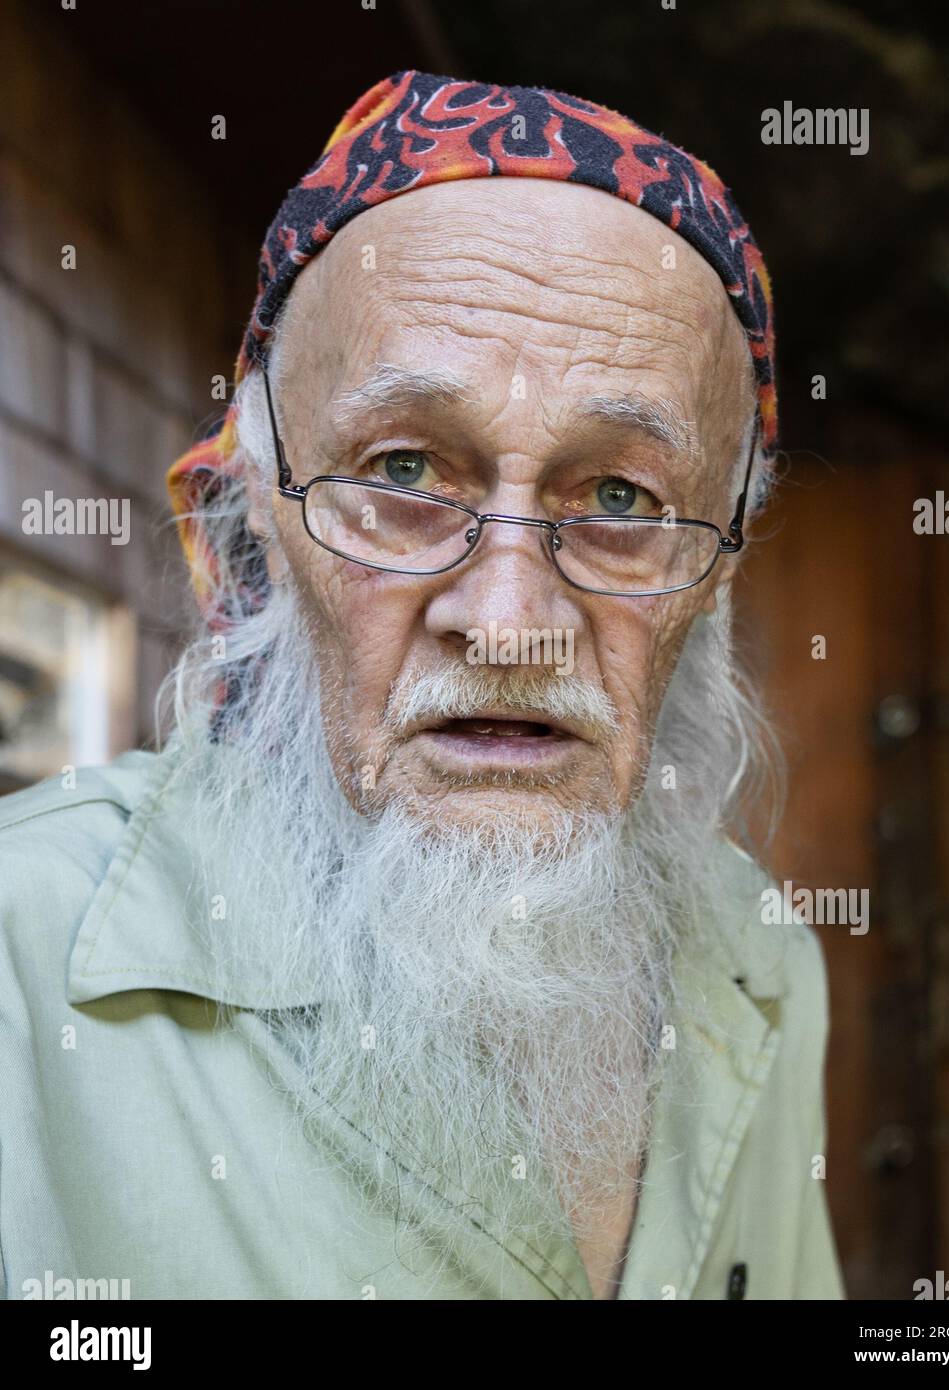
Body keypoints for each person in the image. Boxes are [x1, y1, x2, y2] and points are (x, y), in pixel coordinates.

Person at [0, 70, 844, 1300]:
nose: (507, 623)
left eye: (620, 499)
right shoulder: (23, 964)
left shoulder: (758, 957)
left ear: (712, 570)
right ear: (259, 519)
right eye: (403, 470)